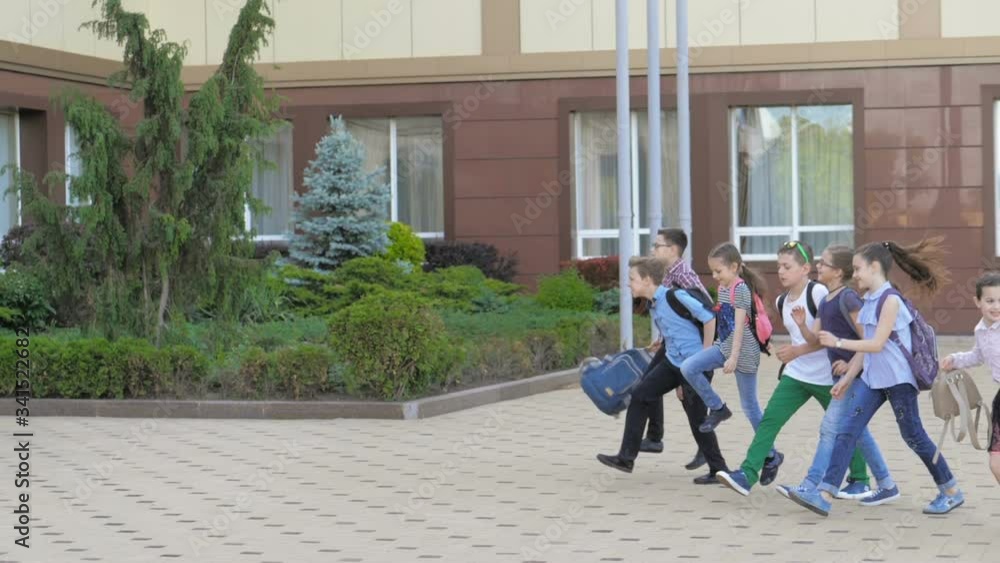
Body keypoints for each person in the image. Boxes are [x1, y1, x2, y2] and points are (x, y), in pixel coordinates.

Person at [787, 239, 964, 517]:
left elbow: (877, 344)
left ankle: (950, 489)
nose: (854, 274)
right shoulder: (869, 299)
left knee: (914, 436)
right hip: (874, 379)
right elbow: (867, 348)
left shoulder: (890, 300)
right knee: (848, 430)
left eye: (858, 269)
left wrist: (838, 342)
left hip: (898, 381)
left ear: (874, 267)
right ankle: (824, 494)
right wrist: (847, 379)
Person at [717, 241, 869, 494]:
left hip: (827, 376)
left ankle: (860, 479)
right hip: (796, 375)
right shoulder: (781, 301)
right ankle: (747, 474)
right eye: (779, 266)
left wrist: (797, 351)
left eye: (787, 266)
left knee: (843, 428)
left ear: (805, 268)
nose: (781, 271)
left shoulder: (819, 293)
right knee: (770, 421)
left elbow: (828, 337)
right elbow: (800, 337)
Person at [778, 244, 896, 503]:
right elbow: (817, 338)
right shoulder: (825, 301)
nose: (818, 266)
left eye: (824, 264)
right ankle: (887, 484)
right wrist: (802, 327)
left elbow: (870, 338)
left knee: (830, 428)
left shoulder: (848, 298)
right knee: (858, 432)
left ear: (838, 272)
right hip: (840, 376)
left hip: (857, 376)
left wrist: (850, 362)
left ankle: (812, 485)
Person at [596, 257, 730, 484]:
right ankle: (626, 458)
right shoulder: (653, 304)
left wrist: (704, 358)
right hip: (672, 362)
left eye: (632, 279)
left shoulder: (674, 296)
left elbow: (709, 318)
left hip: (693, 365)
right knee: (640, 395)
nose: (629, 284)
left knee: (697, 417)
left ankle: (719, 470)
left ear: (648, 280)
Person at [679, 243, 783, 478]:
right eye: (713, 271)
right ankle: (718, 408)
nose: (715, 276)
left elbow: (739, 327)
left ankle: (771, 455)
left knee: (750, 407)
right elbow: (724, 321)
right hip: (726, 346)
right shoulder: (725, 287)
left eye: (718, 271)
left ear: (734, 267)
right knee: (689, 367)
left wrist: (734, 357)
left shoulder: (741, 290)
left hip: (743, 351)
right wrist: (717, 345)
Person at [644, 228, 710, 471]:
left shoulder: (684, 274)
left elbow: (703, 306)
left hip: (689, 347)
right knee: (651, 385)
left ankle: (658, 438)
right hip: (673, 344)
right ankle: (655, 437)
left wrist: (702, 354)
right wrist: (663, 337)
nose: (653, 249)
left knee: (689, 398)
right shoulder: (668, 273)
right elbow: (674, 310)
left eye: (657, 245)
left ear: (672, 250)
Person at [940, 271, 1000, 486]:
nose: (996, 306)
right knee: (995, 463)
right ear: (977, 301)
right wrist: (954, 359)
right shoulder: (980, 330)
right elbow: (978, 356)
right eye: (990, 300)